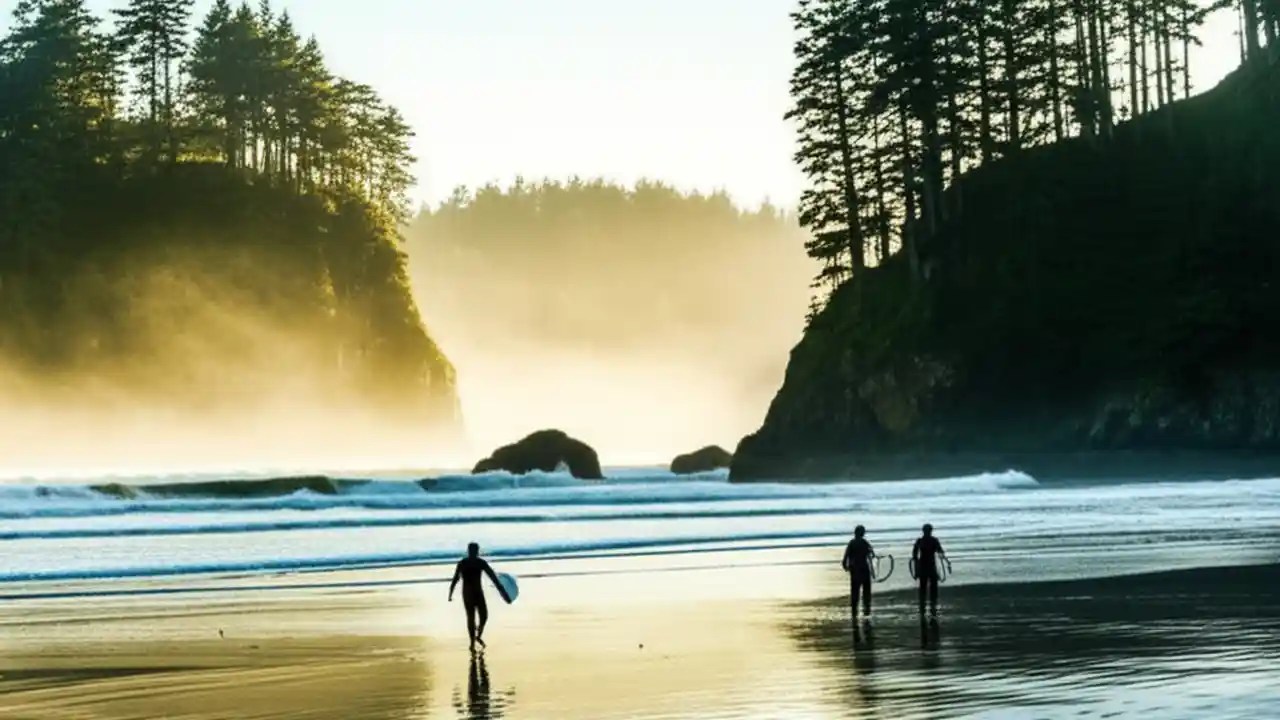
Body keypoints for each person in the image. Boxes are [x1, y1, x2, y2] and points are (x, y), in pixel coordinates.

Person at [449, 542, 505, 650]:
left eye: (475, 551)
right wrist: (450, 593)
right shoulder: (463, 563)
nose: (474, 553)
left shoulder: (481, 563)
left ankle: (478, 636)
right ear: (469, 551)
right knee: (471, 618)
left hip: (478, 592)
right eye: (472, 551)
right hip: (467, 594)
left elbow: (492, 576)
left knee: (484, 616)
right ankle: (472, 642)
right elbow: (455, 578)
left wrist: (501, 589)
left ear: (477, 551)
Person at [912, 523, 948, 619]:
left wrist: (916, 570)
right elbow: (940, 551)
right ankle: (932, 605)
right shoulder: (933, 540)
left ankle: (924, 606)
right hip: (929, 566)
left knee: (924, 587)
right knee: (932, 587)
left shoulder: (920, 541)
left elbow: (914, 556)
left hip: (924, 566)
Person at [841, 524, 875, 620]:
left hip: (855, 569)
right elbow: (871, 554)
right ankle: (866, 610)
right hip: (864, 568)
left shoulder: (852, 543)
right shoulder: (864, 543)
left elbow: (845, 557)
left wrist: (845, 566)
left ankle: (854, 612)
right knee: (866, 591)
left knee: (855, 591)